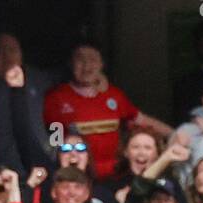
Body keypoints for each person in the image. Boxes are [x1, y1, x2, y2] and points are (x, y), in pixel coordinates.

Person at [42, 42, 172, 182]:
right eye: (80, 60)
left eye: (92, 60)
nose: (86, 66)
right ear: (71, 63)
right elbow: (55, 144)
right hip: (79, 178)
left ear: (101, 64)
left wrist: (175, 135)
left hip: (117, 176)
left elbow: (140, 120)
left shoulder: (114, 95)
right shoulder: (56, 98)